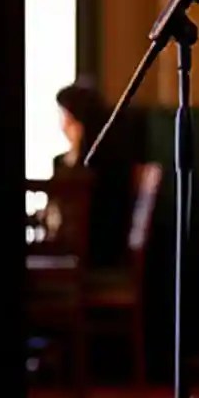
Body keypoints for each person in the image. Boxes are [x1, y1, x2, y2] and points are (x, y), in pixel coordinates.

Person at [53, 82, 131, 269]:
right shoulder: (62, 162)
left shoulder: (105, 166)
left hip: (98, 255)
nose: (63, 124)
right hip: (78, 251)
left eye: (66, 116)